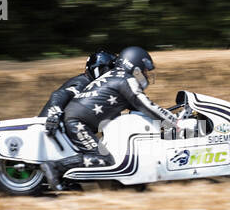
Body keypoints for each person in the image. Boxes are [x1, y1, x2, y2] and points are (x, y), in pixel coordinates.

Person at [41, 45, 176, 187]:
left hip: (77, 120)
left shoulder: (114, 78)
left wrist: (166, 117)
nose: (146, 75)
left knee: (104, 154)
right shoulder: (126, 80)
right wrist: (174, 121)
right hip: (77, 122)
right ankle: (55, 167)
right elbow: (146, 106)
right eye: (144, 71)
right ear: (134, 66)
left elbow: (140, 108)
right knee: (103, 159)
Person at [39, 50, 116, 133]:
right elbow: (59, 94)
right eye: (109, 71)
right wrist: (54, 114)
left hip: (61, 132)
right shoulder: (83, 83)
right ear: (97, 69)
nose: (112, 75)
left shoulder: (98, 87)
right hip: (49, 129)